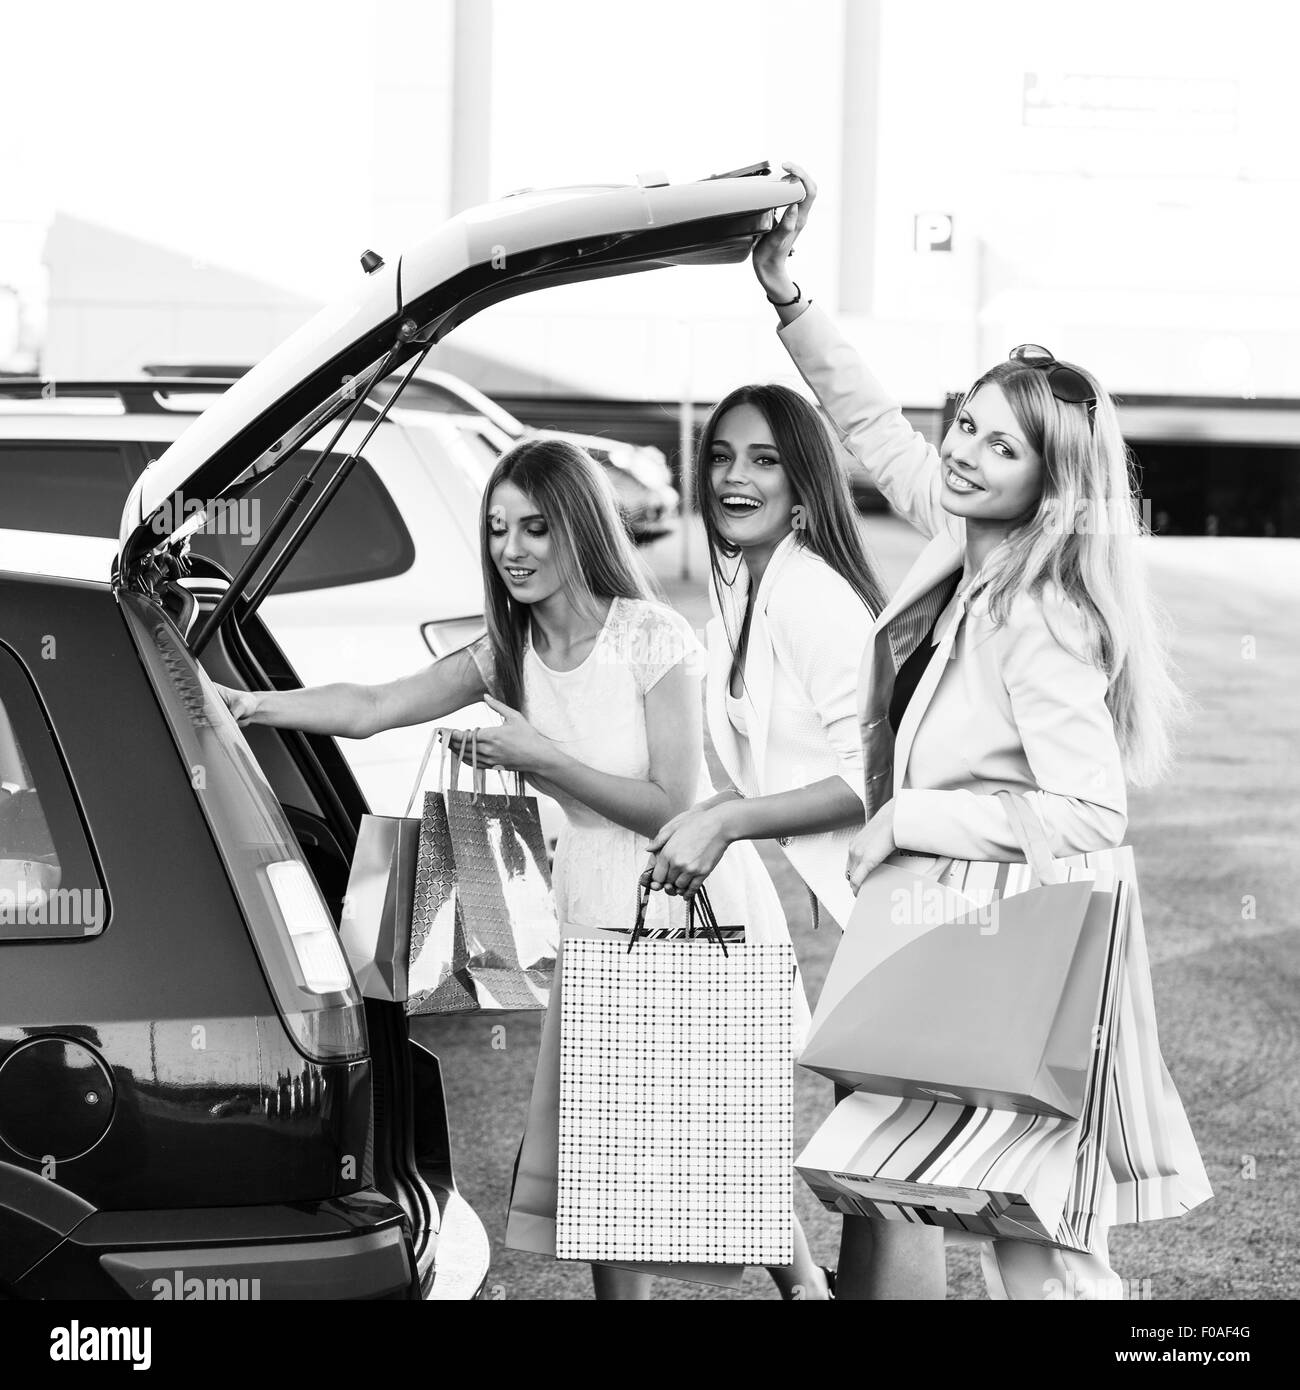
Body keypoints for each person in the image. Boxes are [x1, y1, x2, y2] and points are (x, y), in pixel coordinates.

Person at [733, 162, 1207, 1300]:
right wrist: (790, 300)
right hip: (965, 925)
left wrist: (909, 816)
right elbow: (869, 424)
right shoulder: (966, 550)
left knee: (1034, 1217)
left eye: (1000, 448)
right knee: (1006, 1205)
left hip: (1019, 933)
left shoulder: (1041, 610)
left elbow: (1091, 809)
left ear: (1049, 482)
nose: (961, 453)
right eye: (965, 426)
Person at [215, 435, 820, 1301]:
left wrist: (539, 756)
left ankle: (805, 1288)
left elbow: (672, 807)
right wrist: (248, 704)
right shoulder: (510, 647)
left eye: (534, 527)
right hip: (593, 902)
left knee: (706, 1132)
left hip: (686, 899)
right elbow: (375, 706)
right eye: (498, 529)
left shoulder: (649, 635)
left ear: (579, 526)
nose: (512, 549)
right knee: (612, 1149)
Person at [643, 381, 947, 1297]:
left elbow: (872, 779)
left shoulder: (812, 596)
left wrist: (730, 821)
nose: (736, 475)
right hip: (869, 906)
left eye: (765, 459)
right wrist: (706, 814)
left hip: (909, 898)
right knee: (882, 1146)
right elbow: (764, 760)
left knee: (895, 1155)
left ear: (805, 487)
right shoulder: (743, 590)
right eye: (724, 455)